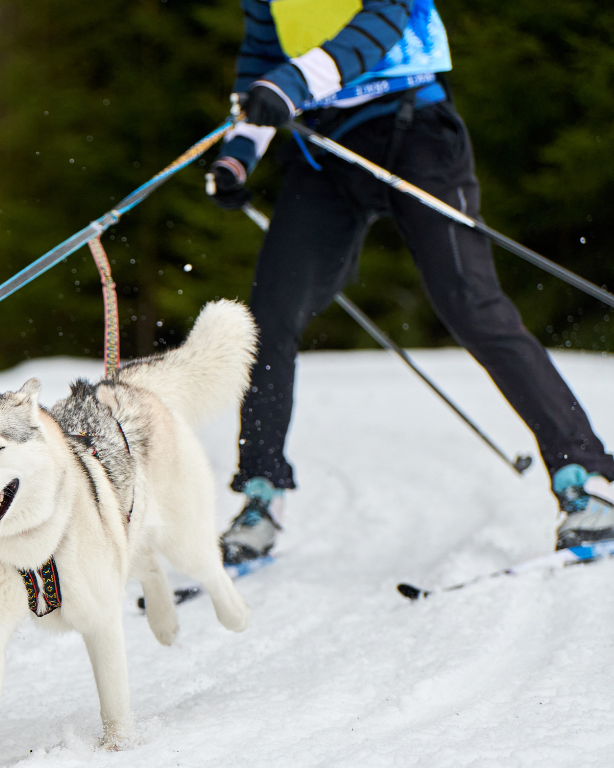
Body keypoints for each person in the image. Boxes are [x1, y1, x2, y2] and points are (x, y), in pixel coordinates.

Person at [205, 0, 614, 564]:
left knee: (470, 304)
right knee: (267, 319)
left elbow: (375, 27)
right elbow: (262, 59)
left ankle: (584, 478)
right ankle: (260, 494)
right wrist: (240, 152)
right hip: (324, 147)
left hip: (415, 129)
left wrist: (294, 81)